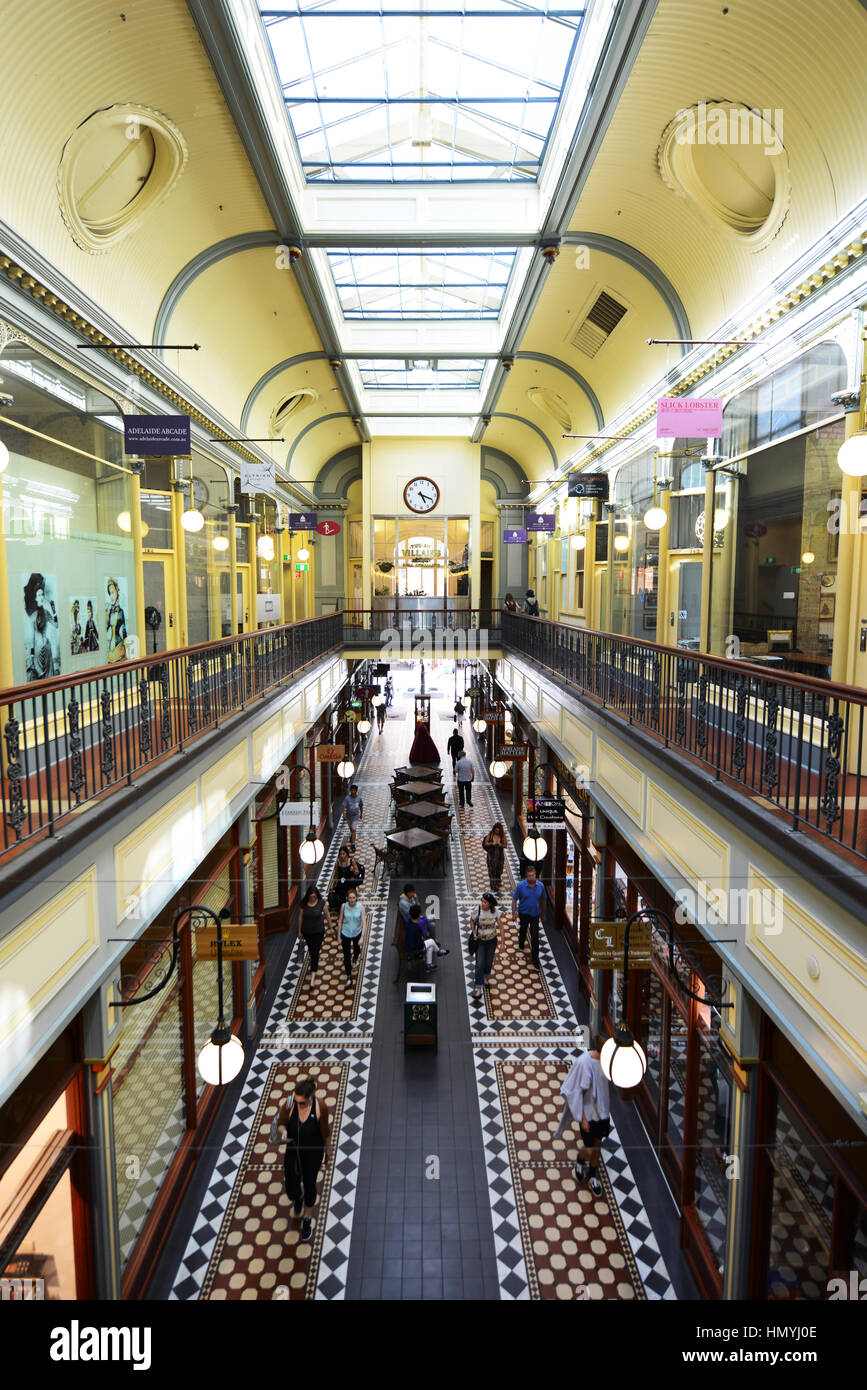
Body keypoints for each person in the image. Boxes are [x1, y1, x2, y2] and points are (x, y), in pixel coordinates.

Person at [276, 1077, 330, 1242]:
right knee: (292, 1185)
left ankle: (307, 1219)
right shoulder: (290, 1103)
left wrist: (327, 1153)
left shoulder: (320, 1106)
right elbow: (281, 1123)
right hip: (293, 1151)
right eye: (298, 1102)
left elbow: (325, 1132)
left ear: (311, 1097)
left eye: (303, 1103)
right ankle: (297, 1197)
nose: (299, 1105)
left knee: (310, 1183)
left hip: (313, 1153)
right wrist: (283, 1132)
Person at [560, 1038, 611, 1195]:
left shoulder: (607, 1063)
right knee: (589, 1149)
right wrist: (582, 1118)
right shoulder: (584, 1063)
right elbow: (576, 1092)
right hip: (588, 1115)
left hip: (602, 1111)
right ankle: (581, 1159)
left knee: (597, 1146)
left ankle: (592, 1176)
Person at [470, 891, 504, 1001]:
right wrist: (474, 933)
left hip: (492, 941)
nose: (482, 903)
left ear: (490, 904)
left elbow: (501, 927)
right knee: (479, 963)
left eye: (485, 902)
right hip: (480, 941)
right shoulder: (478, 910)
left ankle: (485, 977)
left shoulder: (495, 912)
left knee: (489, 961)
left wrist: (502, 943)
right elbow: (472, 920)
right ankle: (479, 988)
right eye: (482, 901)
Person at [512, 864, 547, 971]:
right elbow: (514, 899)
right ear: (526, 876)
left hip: (535, 915)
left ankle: (535, 960)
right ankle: (521, 941)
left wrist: (543, 913)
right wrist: (514, 912)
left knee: (535, 937)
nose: (531, 877)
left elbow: (543, 900)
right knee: (523, 928)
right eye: (529, 876)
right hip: (523, 913)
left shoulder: (540, 886)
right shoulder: (521, 886)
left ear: (536, 875)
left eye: (533, 875)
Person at [399, 885, 449, 959]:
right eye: (412, 892)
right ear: (408, 893)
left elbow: (417, 908)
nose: (414, 894)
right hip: (413, 921)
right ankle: (434, 941)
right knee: (432, 925)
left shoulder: (411, 898)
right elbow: (413, 913)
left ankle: (433, 940)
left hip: (416, 918)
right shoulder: (403, 903)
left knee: (432, 918)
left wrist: (416, 899)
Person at [297, 885, 332, 985]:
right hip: (307, 932)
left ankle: (312, 977)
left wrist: (330, 927)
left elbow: (327, 914)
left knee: (314, 952)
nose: (313, 898)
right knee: (313, 950)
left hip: (318, 931)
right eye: (311, 896)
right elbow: (300, 917)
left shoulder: (321, 903)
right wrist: (299, 931)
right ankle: (314, 964)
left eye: (314, 896)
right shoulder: (304, 904)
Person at [336, 886, 366, 986]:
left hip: (357, 932)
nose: (352, 900)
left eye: (353, 898)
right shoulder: (344, 906)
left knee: (357, 950)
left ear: (356, 898)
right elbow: (340, 921)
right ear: (347, 898)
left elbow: (364, 922)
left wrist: (362, 936)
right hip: (346, 933)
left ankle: (355, 959)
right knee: (346, 955)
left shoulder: (360, 907)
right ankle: (349, 976)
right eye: (350, 898)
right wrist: (338, 936)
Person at [406, 901, 438, 972]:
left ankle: (429, 965)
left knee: (431, 946)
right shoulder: (417, 927)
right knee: (431, 942)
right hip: (415, 949)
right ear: (419, 915)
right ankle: (438, 952)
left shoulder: (408, 920)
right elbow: (420, 944)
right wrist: (423, 939)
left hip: (408, 944)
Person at [105, 577, 128, 663]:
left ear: (117, 592)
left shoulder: (121, 611)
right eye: (109, 594)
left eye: (113, 593)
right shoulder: (109, 611)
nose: (111, 596)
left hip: (119, 646)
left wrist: (128, 648)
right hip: (111, 648)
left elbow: (124, 631)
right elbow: (106, 629)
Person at [482, 822, 506, 890]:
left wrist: (500, 844)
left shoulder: (502, 836)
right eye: (496, 830)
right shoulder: (490, 835)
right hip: (491, 856)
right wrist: (492, 843)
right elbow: (486, 843)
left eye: (498, 831)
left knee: (499, 869)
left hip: (500, 856)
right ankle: (493, 885)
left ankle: (497, 880)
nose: (497, 832)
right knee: (492, 870)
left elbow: (505, 845)